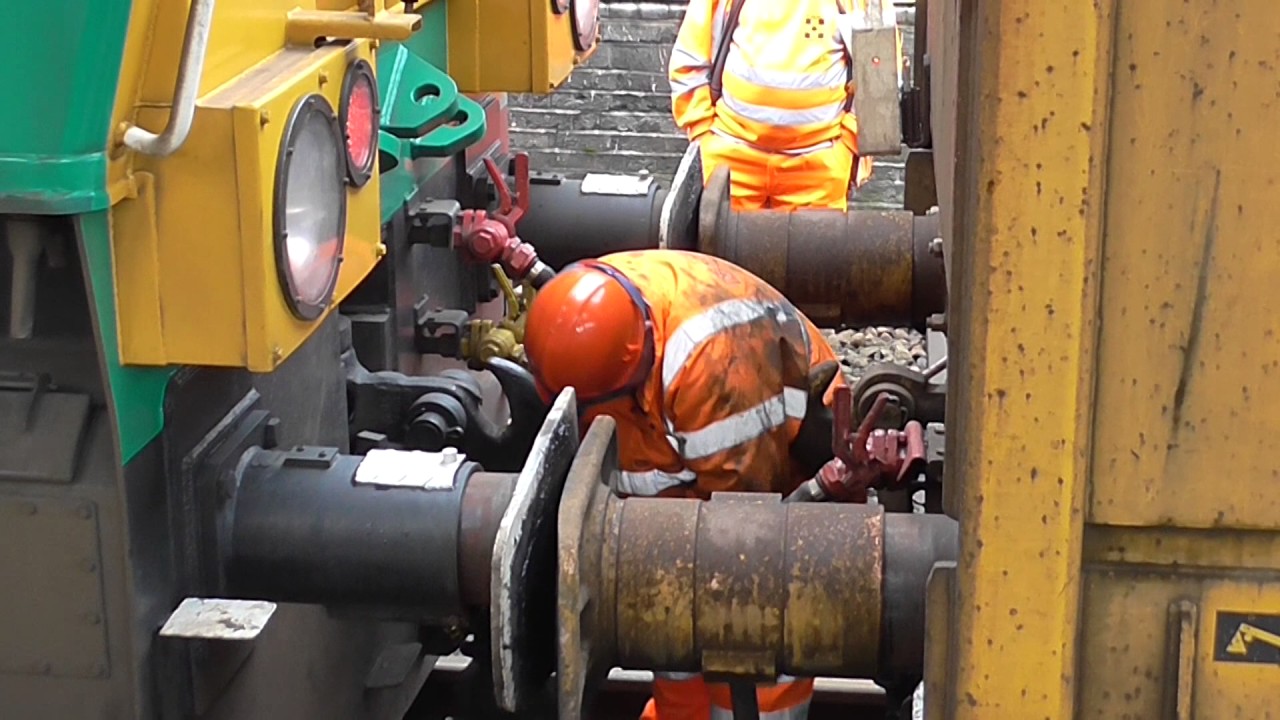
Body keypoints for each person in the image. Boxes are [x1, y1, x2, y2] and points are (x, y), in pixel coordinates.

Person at [523, 249, 843, 720]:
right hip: (691, 452)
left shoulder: (712, 368)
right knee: (667, 628)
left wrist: (660, 556)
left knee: (755, 618)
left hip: (769, 473)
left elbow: (741, 526)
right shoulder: (587, 312)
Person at [668, 0, 877, 211]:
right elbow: (690, 59)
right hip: (730, 158)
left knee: (814, 243)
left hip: (818, 163)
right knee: (719, 242)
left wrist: (849, 142)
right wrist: (703, 135)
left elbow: (879, 74)